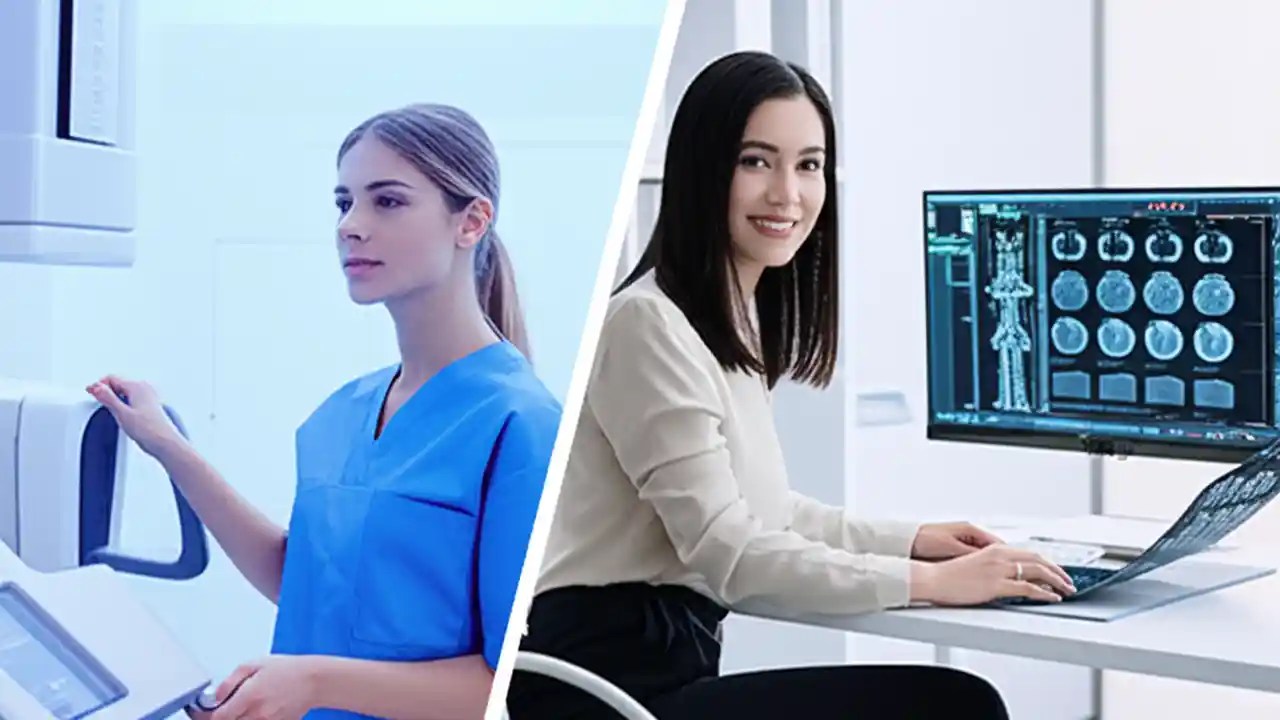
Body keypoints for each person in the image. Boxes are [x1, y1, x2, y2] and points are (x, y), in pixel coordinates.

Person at [506, 51, 1075, 719]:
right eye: (756, 161)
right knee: (954, 705)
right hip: (603, 691)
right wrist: (932, 583)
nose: (788, 194)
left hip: (659, 671)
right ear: (702, 171)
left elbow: (769, 512)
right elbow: (731, 553)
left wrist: (913, 540)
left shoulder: (723, 320)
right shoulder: (645, 325)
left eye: (808, 164)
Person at [88, 103, 562, 720]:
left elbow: (504, 684)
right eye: (344, 203)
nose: (351, 226)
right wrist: (168, 447)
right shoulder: (339, 416)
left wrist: (311, 682)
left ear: (471, 221)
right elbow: (304, 582)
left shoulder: (520, 424)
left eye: (386, 201)